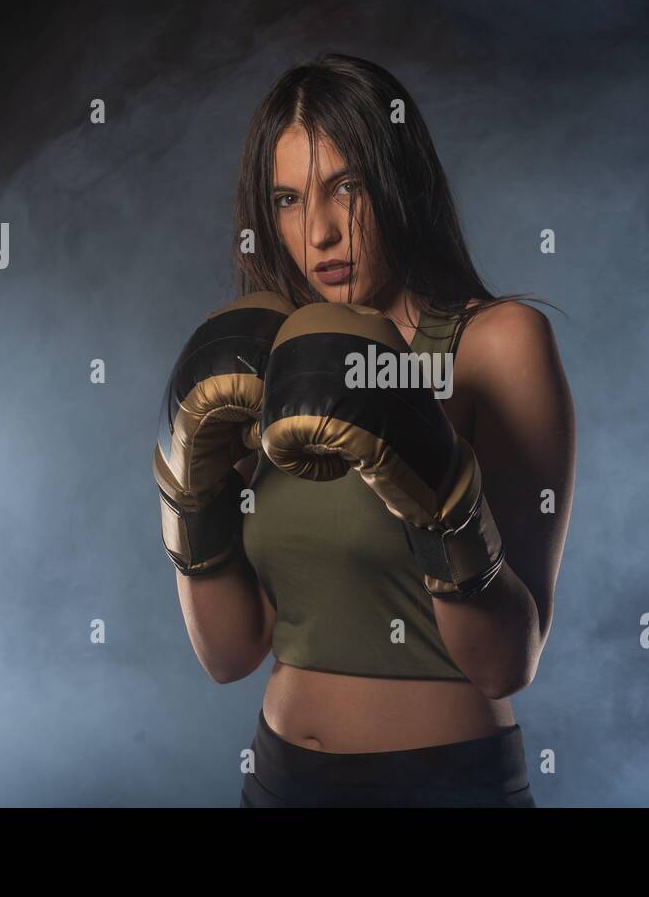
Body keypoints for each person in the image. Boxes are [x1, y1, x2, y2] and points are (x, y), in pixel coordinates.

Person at [152, 53, 575, 806]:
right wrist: (192, 492)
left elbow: (508, 662)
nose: (318, 231)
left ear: (397, 178)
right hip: (280, 779)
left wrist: (438, 497)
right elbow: (230, 652)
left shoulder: (496, 345)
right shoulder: (273, 361)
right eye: (287, 199)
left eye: (345, 186)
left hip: (446, 787)